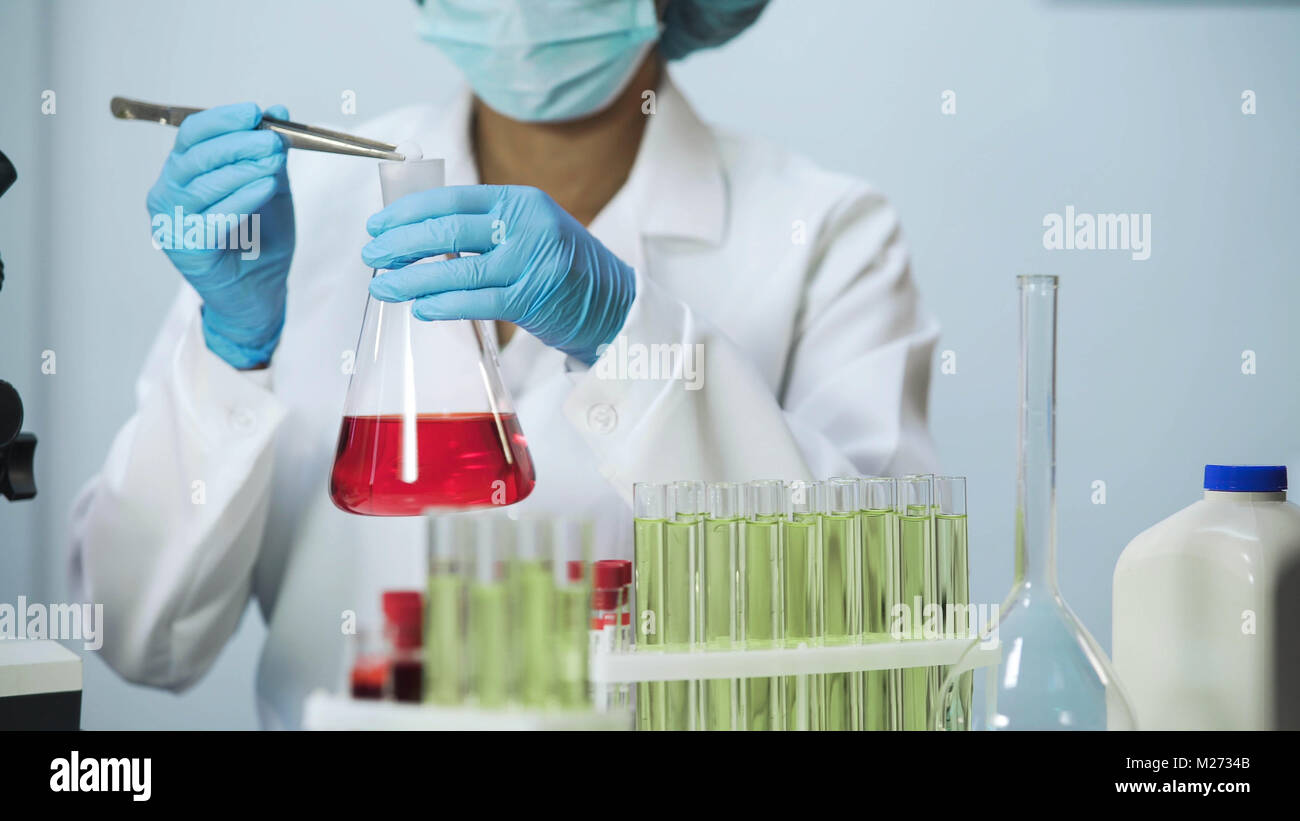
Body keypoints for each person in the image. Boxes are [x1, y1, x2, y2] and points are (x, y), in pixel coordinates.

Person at [69, 0, 939, 728]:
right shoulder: (306, 206)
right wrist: (229, 346)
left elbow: (880, 633)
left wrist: (628, 335)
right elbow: (140, 640)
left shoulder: (820, 234)